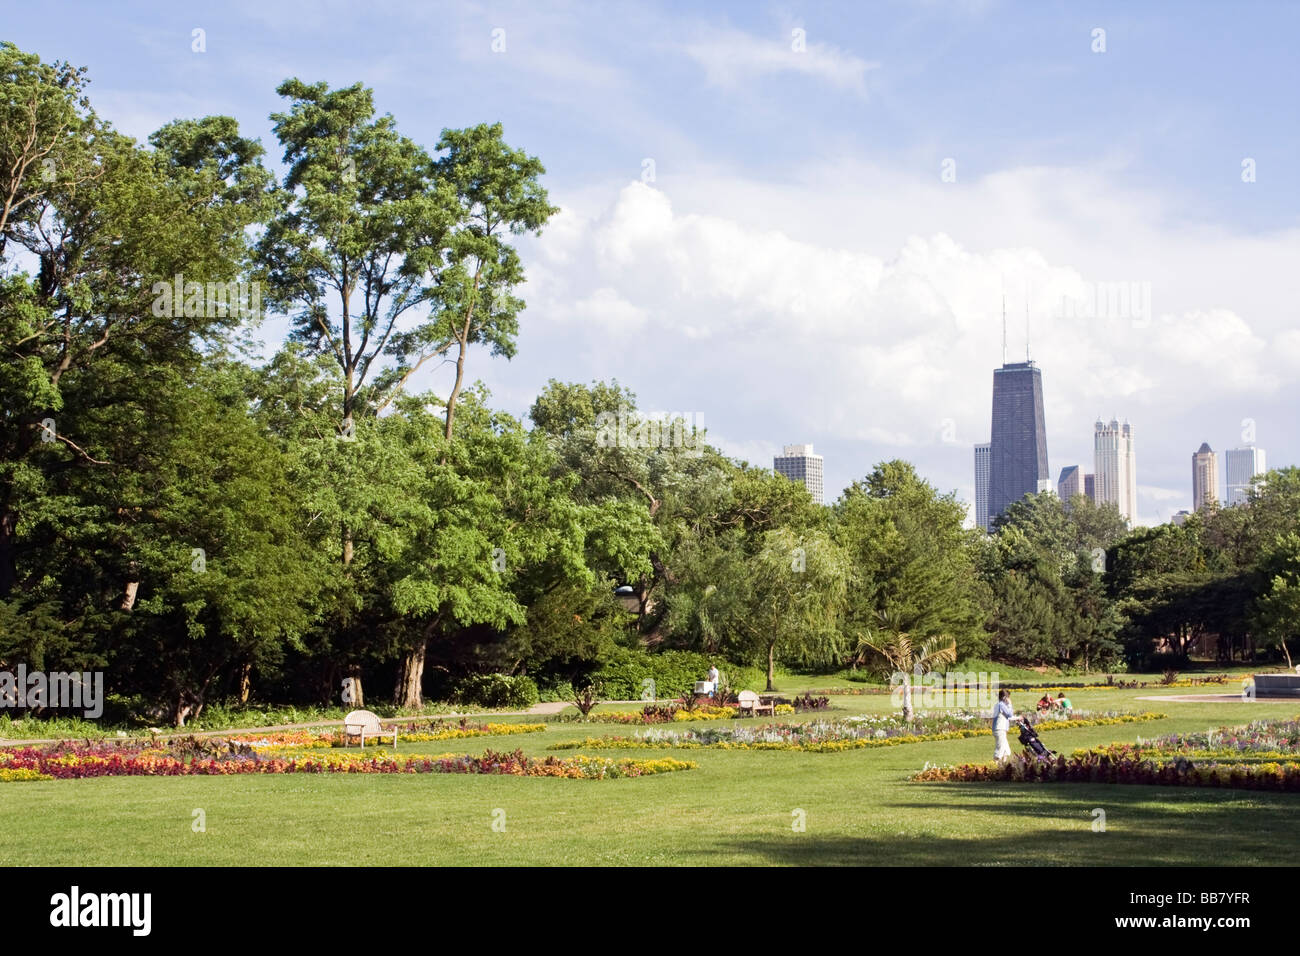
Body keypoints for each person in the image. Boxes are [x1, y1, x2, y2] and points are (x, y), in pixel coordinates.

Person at [992, 689, 1016, 763]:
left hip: (999, 729)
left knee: (1006, 749)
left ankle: (1003, 765)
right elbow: (1010, 714)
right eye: (1008, 697)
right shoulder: (1001, 705)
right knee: (1000, 748)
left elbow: (1007, 716)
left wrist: (1017, 718)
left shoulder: (999, 704)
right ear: (1005, 698)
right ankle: (995, 765)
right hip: (1000, 729)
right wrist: (1009, 704)